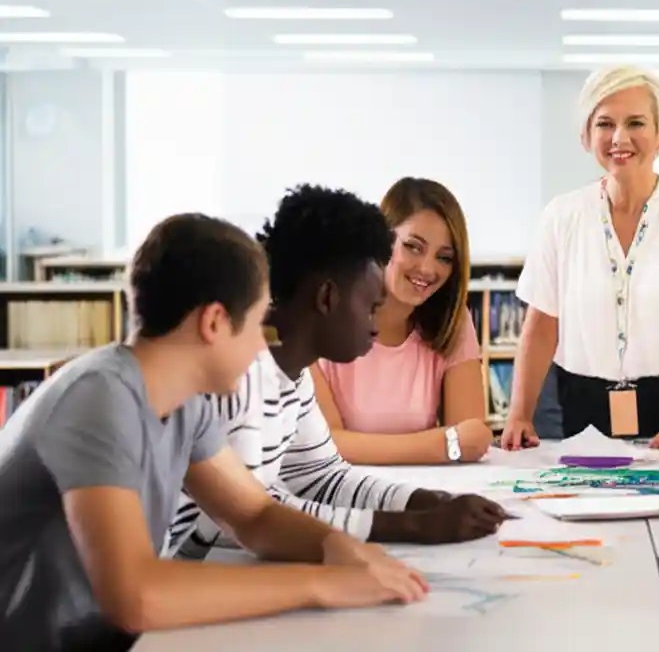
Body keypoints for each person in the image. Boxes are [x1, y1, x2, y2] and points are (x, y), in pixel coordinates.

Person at [0, 214, 425, 651]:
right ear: (215, 322)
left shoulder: (185, 403)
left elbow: (253, 516)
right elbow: (136, 595)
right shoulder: (98, 398)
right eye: (257, 324)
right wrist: (322, 583)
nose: (262, 345)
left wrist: (336, 545)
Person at [167, 185, 507, 560]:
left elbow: (323, 478)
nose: (376, 324)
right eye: (370, 305)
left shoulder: (291, 379)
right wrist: (418, 526)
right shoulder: (238, 376)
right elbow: (254, 517)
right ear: (328, 298)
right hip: (169, 582)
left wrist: (426, 502)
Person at [499, 65, 659, 448]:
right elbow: (541, 325)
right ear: (585, 135)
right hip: (578, 401)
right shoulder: (562, 214)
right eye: (605, 124)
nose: (619, 137)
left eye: (636, 123)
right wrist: (518, 415)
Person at [313, 177, 492, 465]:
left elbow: (472, 439)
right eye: (413, 246)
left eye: (444, 258)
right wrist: (443, 445)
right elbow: (325, 445)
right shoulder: (323, 314)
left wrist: (451, 444)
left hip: (420, 498)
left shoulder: (452, 323)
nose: (427, 269)